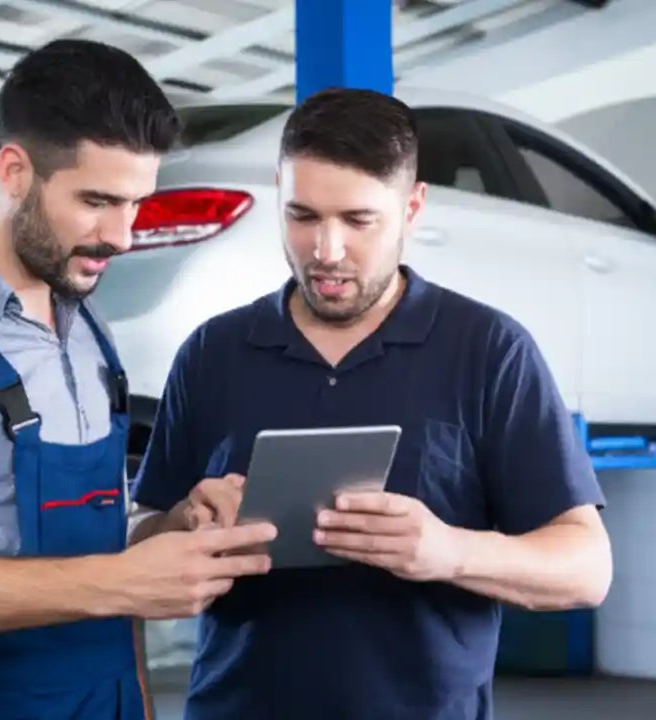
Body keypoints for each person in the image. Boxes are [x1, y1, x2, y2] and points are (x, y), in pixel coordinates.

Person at [0, 39, 277, 720]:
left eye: (136, 204)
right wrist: (120, 582)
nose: (122, 235)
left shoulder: (89, 328)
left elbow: (78, 541)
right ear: (14, 171)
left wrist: (169, 529)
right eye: (96, 200)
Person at [128, 88, 613, 719]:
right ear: (279, 193)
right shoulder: (212, 352)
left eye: (359, 221)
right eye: (303, 216)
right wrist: (184, 521)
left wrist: (446, 551)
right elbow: (138, 543)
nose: (327, 251)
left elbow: (586, 568)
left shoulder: (490, 351)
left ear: (413, 207)